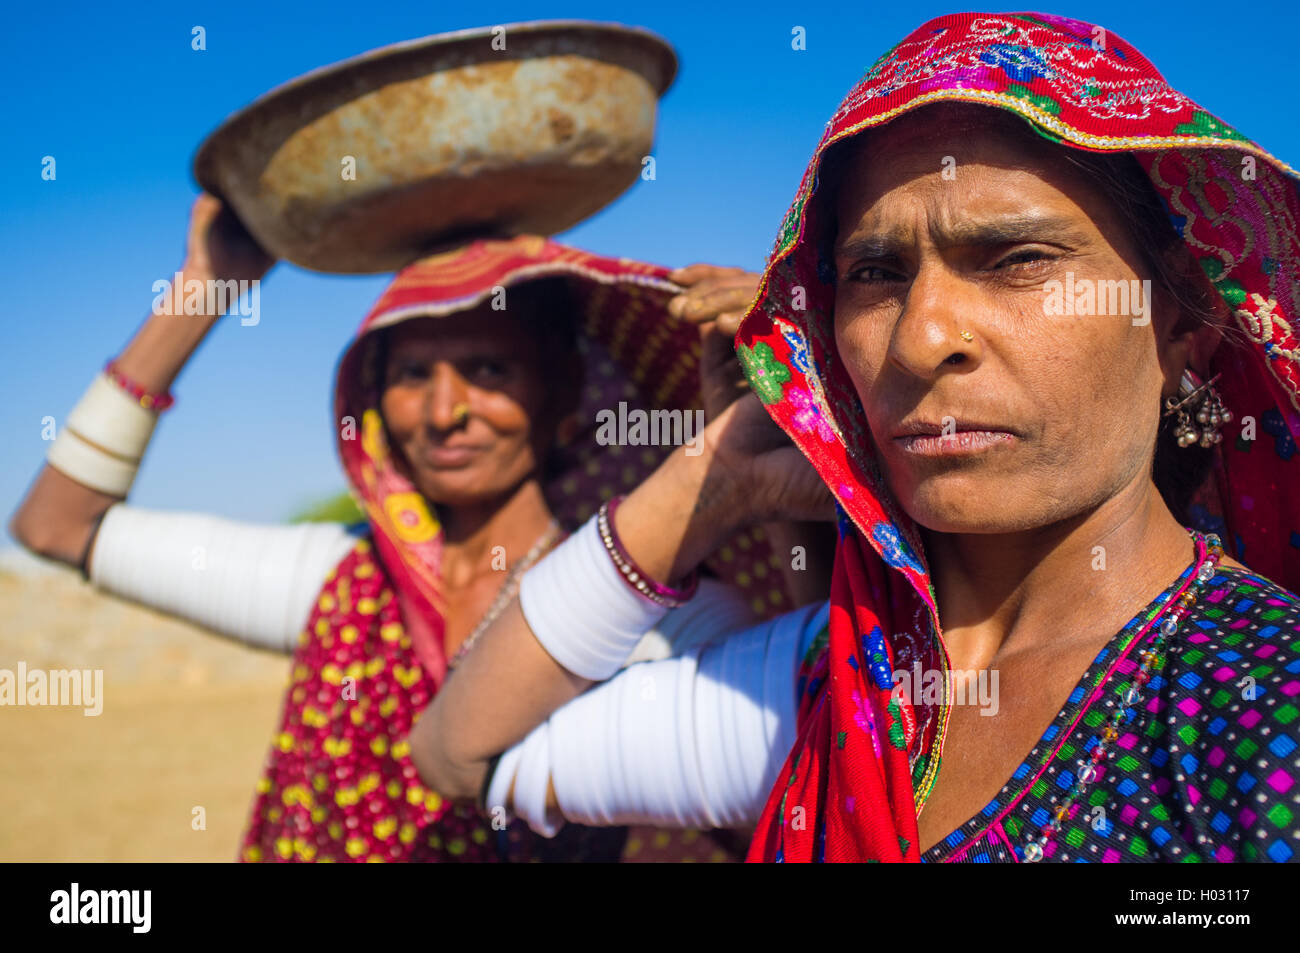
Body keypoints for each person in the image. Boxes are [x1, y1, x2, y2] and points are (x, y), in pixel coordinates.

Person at [409, 11, 1300, 863]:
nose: (921, 338)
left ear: (1181, 328)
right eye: (875, 274)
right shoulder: (834, 680)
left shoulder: (1265, 704)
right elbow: (460, 751)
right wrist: (720, 477)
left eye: (1017, 260)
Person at [9, 196, 795, 862]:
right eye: (413, 374)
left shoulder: (659, 610)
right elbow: (55, 525)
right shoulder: (340, 581)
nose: (446, 411)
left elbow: (808, 775)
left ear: (564, 395)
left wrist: (794, 378)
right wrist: (208, 286)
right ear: (374, 397)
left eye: (490, 370)